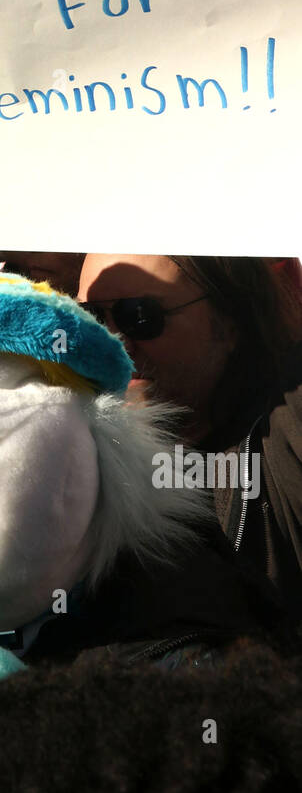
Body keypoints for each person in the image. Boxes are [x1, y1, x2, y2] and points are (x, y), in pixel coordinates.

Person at [78, 254, 302, 619]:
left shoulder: (283, 433)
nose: (112, 344)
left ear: (228, 322)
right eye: (91, 319)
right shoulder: (58, 449)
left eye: (139, 316)